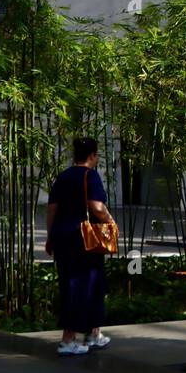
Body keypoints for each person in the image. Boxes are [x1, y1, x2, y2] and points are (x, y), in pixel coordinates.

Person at [46, 138, 115, 355]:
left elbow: (52, 210)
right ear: (93, 155)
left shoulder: (63, 176)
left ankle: (93, 333)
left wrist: (50, 236)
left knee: (83, 284)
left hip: (63, 239)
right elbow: (96, 206)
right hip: (84, 241)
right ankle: (68, 340)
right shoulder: (90, 176)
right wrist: (111, 222)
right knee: (80, 286)